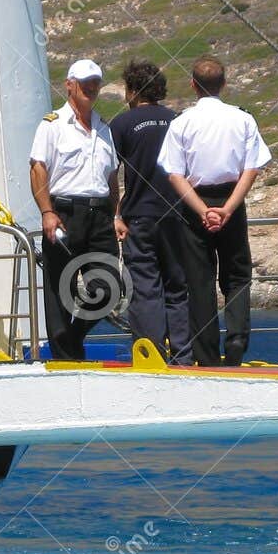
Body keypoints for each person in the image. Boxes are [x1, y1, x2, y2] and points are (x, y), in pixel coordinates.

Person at [158, 55, 271, 367]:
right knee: (237, 274)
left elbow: (174, 175)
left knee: (199, 279)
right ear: (224, 83)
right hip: (231, 201)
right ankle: (236, 338)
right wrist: (228, 209)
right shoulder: (243, 120)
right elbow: (252, 168)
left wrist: (202, 210)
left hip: (195, 203)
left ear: (193, 85)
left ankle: (206, 355)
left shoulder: (181, 123)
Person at [29, 58, 123, 362]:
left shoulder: (103, 128)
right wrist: (46, 212)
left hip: (101, 215)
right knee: (59, 290)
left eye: (95, 83)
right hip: (65, 212)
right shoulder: (53, 124)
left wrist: (117, 214)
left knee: (108, 287)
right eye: (85, 83)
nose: (91, 89)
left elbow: (112, 177)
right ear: (70, 85)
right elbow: (38, 168)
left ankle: (73, 336)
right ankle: (64, 357)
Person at [109, 59, 190, 364]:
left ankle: (152, 354)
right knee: (177, 287)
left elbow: (109, 173)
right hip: (177, 214)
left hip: (139, 216)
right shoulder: (177, 121)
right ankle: (182, 355)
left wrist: (115, 215)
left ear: (132, 90)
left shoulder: (122, 124)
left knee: (145, 288)